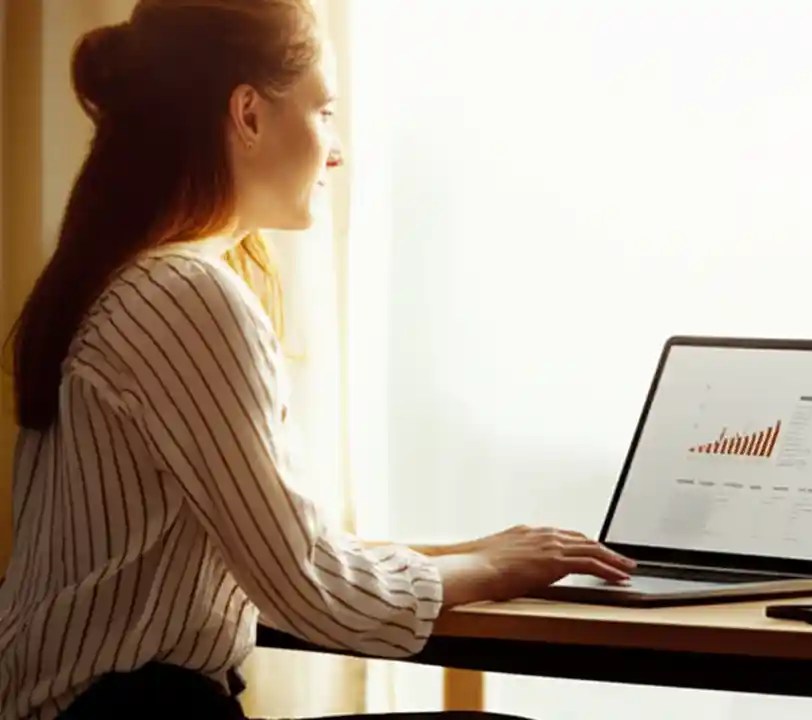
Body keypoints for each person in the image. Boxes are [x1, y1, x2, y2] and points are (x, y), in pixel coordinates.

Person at [0, 1, 634, 718]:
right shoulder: (182, 295)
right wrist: (488, 568)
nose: (335, 149)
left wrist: (462, 552)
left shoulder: (126, 280)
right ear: (247, 114)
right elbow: (307, 583)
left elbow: (284, 552)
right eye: (324, 111)